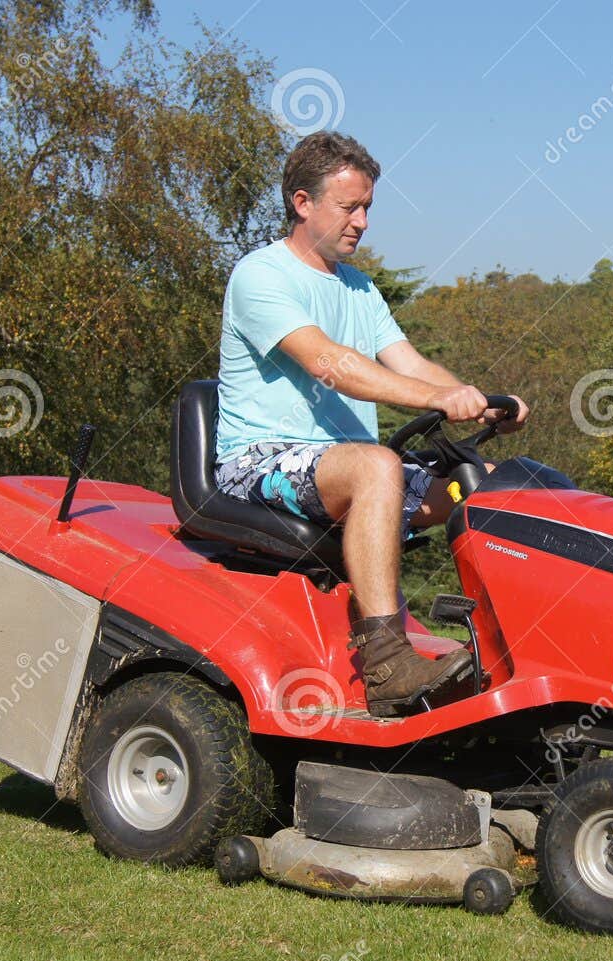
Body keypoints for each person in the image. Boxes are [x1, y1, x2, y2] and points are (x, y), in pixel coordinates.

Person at [214, 131, 529, 716]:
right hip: (257, 461)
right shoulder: (261, 276)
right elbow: (331, 363)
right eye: (349, 207)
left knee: (488, 481)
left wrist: (474, 400)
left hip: (342, 467)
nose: (361, 221)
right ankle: (387, 662)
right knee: (379, 466)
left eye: (367, 209)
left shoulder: (358, 288)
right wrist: (435, 396)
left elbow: (406, 362)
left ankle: (515, 643)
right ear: (302, 203)